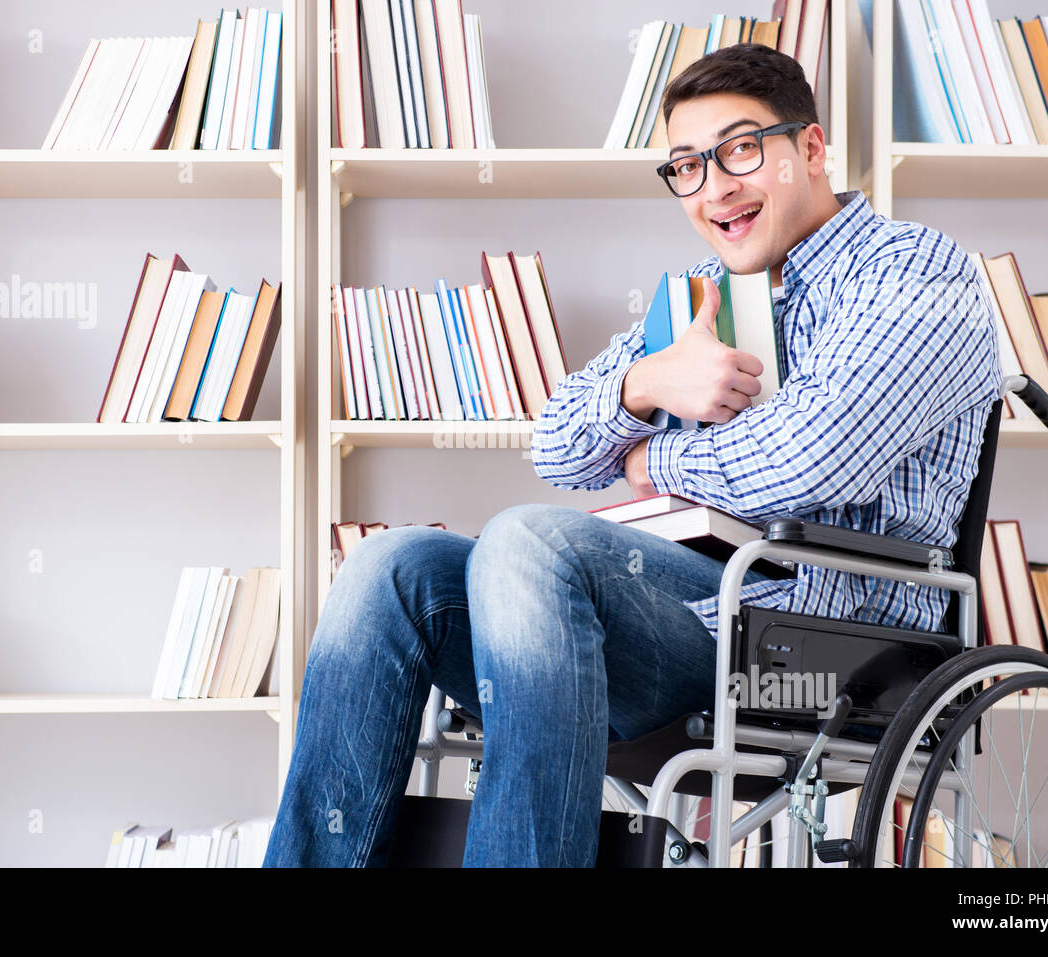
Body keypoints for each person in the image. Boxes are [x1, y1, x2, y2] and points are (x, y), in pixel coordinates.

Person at [263, 42, 1001, 868]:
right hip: (693, 612)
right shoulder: (697, 297)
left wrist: (656, 463)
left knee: (531, 541)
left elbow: (814, 457)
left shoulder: (917, 273)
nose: (714, 187)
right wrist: (645, 383)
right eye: (687, 166)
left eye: (742, 150)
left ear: (813, 149)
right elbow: (555, 443)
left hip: (829, 641)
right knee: (388, 565)